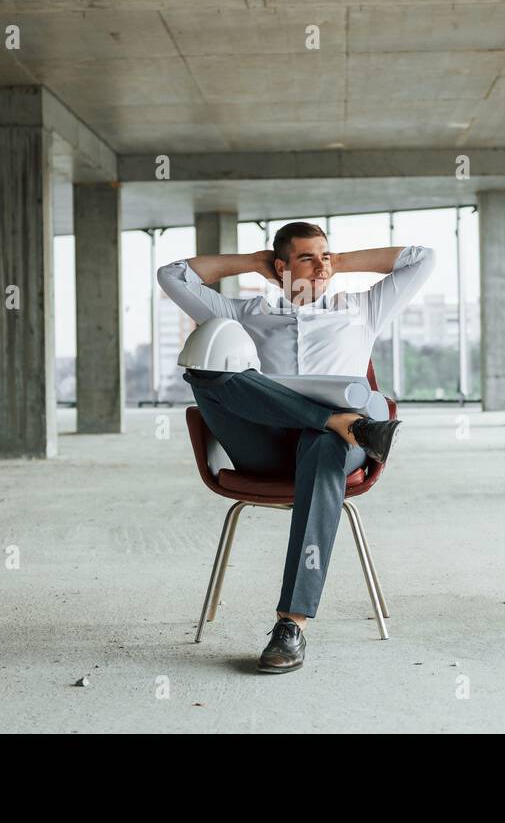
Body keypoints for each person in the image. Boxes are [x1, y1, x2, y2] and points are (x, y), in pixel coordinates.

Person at [157, 221, 436, 673]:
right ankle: (335, 420)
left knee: (323, 446)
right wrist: (255, 263)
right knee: (204, 363)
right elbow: (172, 274)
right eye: (307, 257)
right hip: (269, 445)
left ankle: (292, 625)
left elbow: (422, 258)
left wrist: (335, 263)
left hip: (335, 450)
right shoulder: (245, 313)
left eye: (325, 255)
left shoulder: (361, 308)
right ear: (281, 266)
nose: (321, 266)